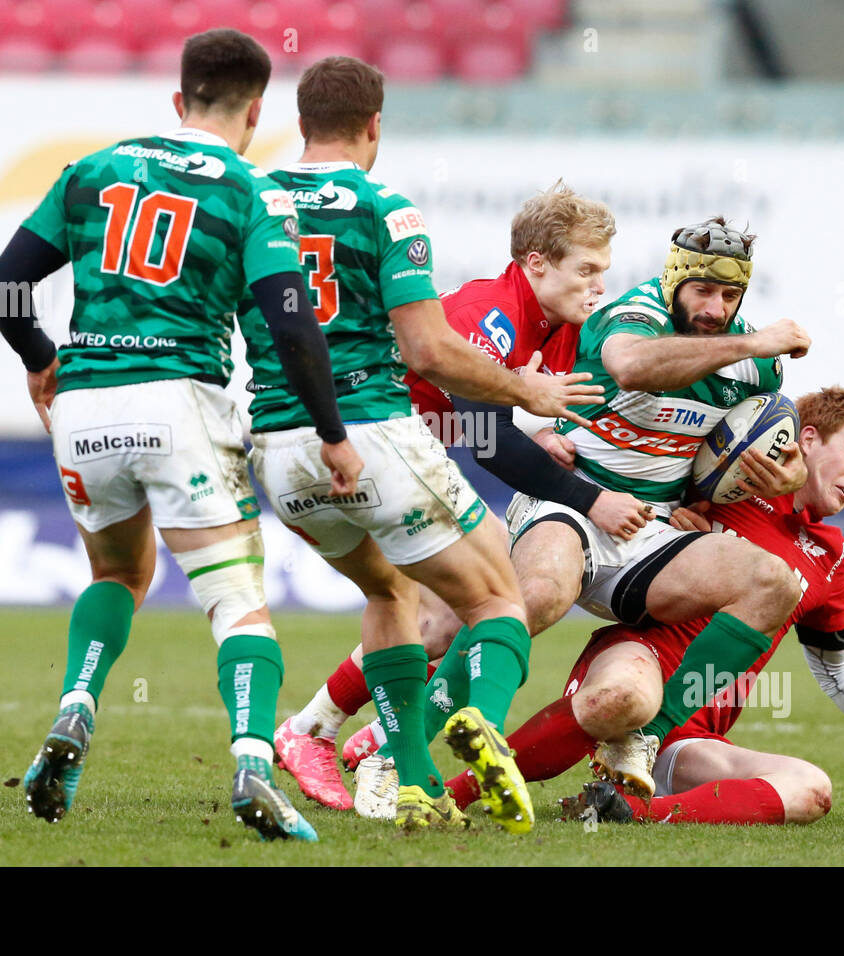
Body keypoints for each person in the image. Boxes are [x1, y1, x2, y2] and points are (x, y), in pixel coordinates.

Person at [0, 29, 364, 842]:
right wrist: (331, 431)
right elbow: (292, 323)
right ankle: (255, 767)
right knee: (236, 602)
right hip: (180, 404)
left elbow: (7, 285)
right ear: (258, 111)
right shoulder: (250, 191)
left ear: (177, 99)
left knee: (119, 572)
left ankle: (76, 707)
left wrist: (41, 359)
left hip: (85, 404)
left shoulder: (94, 169)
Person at [241, 57, 604, 832]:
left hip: (276, 444)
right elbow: (429, 354)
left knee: (391, 595)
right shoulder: (389, 210)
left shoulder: (249, 201)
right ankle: (482, 727)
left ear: (297, 124)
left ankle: (402, 777)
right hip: (372, 434)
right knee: (502, 594)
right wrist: (530, 394)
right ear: (376, 125)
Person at [343, 219, 819, 806]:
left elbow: (743, 450)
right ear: (673, 280)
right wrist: (753, 342)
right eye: (701, 291)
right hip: (570, 500)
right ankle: (393, 758)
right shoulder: (636, 315)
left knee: (775, 583)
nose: (714, 308)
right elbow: (631, 366)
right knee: (535, 594)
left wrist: (786, 472)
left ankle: (646, 737)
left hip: (649, 531)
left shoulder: (755, 364)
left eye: (728, 296)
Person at [451, 387, 844, 823]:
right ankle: (454, 794)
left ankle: (628, 810)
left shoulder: (831, 555)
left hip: (690, 736)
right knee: (622, 697)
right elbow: (633, 443)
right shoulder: (719, 479)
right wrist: (550, 434)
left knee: (812, 789)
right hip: (635, 654)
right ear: (807, 439)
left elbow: (840, 670)